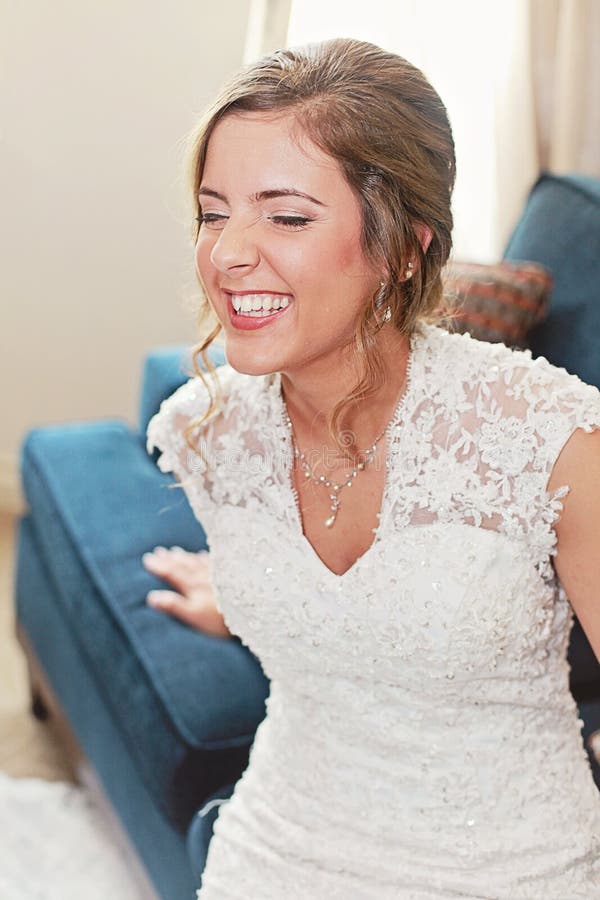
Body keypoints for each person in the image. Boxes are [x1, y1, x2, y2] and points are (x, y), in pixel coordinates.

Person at [143, 37, 600, 899]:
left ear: (401, 244)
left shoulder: (550, 441)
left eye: (285, 215)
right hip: (278, 844)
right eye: (213, 212)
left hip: (513, 869)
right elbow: (357, 625)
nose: (228, 254)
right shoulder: (206, 435)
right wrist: (249, 597)